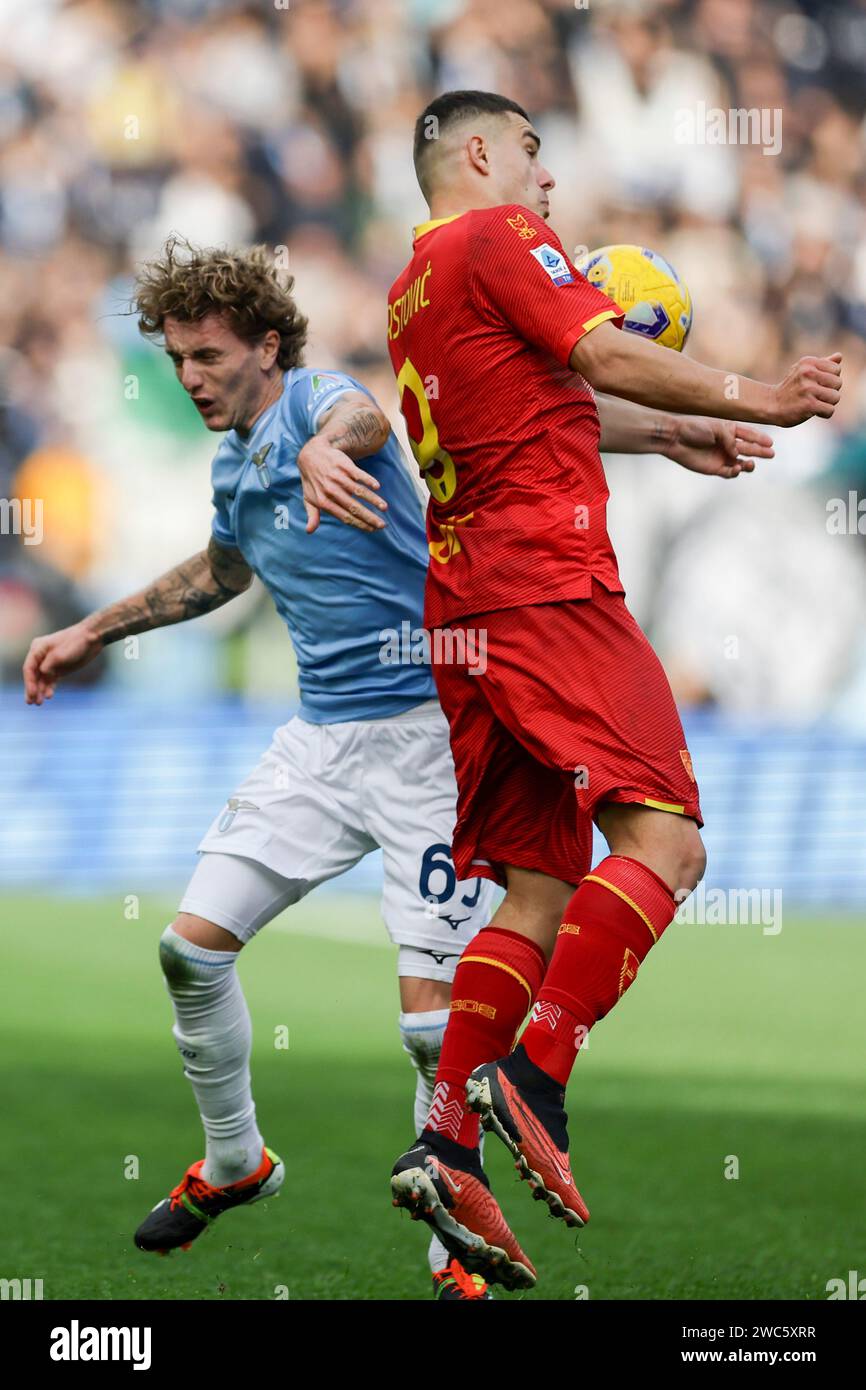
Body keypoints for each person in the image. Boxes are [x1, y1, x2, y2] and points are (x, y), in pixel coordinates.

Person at [298, 89, 840, 1292]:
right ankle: (535, 1071)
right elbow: (592, 348)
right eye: (534, 155)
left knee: (536, 888)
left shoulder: (411, 285)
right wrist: (759, 398)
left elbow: (535, 407)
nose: (547, 183)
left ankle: (443, 1136)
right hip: (550, 589)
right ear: (480, 152)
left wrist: (662, 435)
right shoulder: (499, 238)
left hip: (464, 614)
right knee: (668, 839)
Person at [22, 237, 500, 1301]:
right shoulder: (235, 462)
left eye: (207, 355)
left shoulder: (318, 407)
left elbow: (360, 412)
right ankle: (237, 1160)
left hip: (429, 736)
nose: (189, 377)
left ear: (267, 345)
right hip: (320, 744)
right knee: (187, 952)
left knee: (430, 1024)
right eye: (176, 359)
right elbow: (221, 570)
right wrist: (91, 630)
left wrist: (330, 447)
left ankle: (449, 1247)